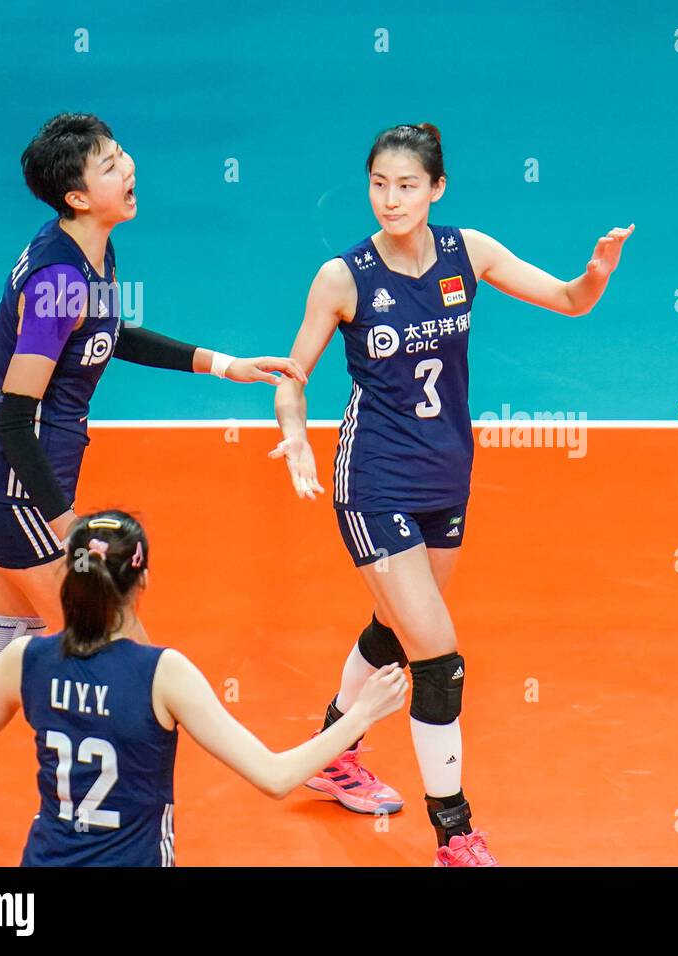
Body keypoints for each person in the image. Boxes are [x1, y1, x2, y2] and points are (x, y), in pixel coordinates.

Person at [0, 113, 306, 867]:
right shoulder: (57, 281)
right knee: (132, 672)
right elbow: (18, 417)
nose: (128, 167)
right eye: (110, 164)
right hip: (21, 496)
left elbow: (111, 333)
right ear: (78, 196)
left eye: (120, 154)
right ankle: (149, 847)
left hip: (6, 489)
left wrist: (223, 365)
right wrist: (70, 524)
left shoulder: (92, 252)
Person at [271, 123, 633, 866]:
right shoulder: (343, 277)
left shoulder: (468, 252)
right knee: (438, 655)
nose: (391, 198)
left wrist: (596, 272)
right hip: (371, 479)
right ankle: (455, 833)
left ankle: (332, 753)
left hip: (445, 475)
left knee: (397, 625)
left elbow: (569, 300)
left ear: (437, 189)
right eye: (379, 184)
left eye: (407, 185)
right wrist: (297, 433)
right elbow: (293, 373)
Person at [0, 511, 407, 867]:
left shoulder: (26, 660)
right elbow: (275, 777)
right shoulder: (163, 675)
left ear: (67, 579)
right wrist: (359, 714)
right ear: (141, 580)